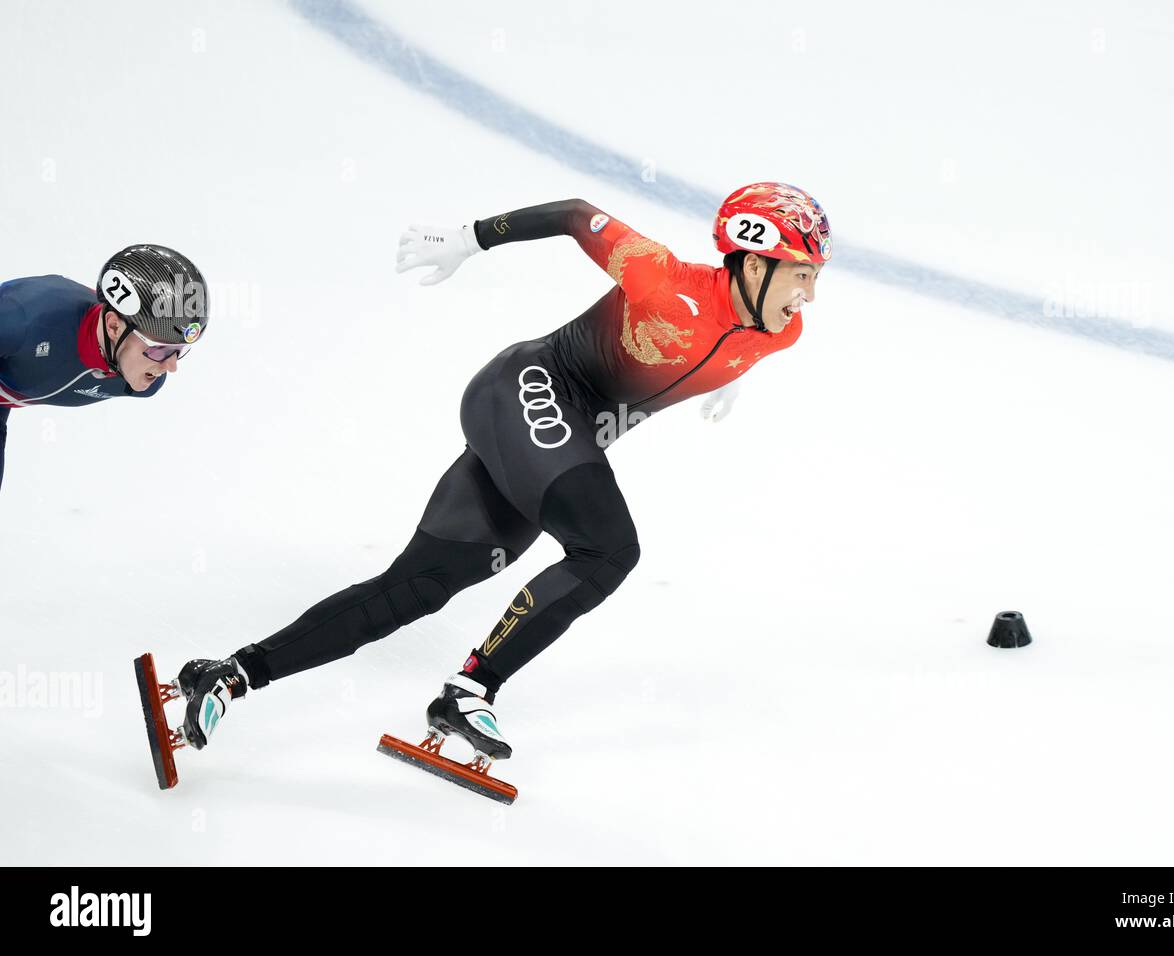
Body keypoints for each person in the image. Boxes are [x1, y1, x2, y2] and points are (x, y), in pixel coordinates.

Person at [177, 183, 830, 770]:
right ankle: (471, 690)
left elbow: (723, 348)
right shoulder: (663, 279)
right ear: (751, 263)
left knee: (417, 588)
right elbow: (577, 216)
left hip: (551, 440)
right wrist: (469, 239)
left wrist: (731, 378)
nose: (808, 294)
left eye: (814, 277)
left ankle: (228, 674)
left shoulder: (780, 332)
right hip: (530, 391)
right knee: (608, 549)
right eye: (800, 274)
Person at [0, 245, 209, 490]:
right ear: (113, 327)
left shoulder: (143, 377)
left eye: (179, 351)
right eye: (160, 349)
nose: (171, 366)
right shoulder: (21, 321)